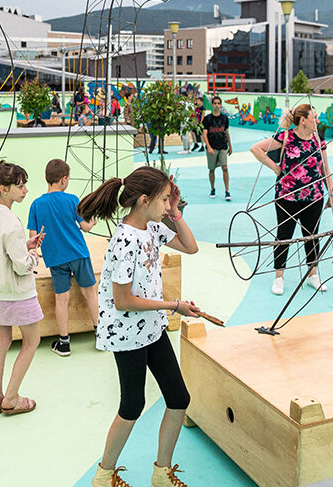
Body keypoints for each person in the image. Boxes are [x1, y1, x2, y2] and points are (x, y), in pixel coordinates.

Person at [77, 166, 201, 487]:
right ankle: (104, 475)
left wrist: (174, 212)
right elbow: (123, 301)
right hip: (127, 334)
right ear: (144, 200)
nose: (166, 205)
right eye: (163, 200)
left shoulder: (153, 228)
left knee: (178, 398)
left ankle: (161, 473)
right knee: (132, 406)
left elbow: (191, 247)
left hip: (152, 328)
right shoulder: (125, 241)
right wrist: (175, 306)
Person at [0, 160, 44, 416]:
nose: (25, 190)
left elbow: (0, 252)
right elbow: (21, 267)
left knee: (1, 343)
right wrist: (34, 255)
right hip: (17, 294)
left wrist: (24, 245)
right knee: (32, 341)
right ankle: (12, 397)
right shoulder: (12, 222)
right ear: (4, 189)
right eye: (20, 185)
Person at [250, 104, 333, 295]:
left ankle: (313, 274)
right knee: (284, 235)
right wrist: (276, 168)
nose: (318, 121)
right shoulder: (286, 136)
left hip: (314, 196)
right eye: (314, 117)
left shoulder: (319, 140)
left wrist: (331, 192)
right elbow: (256, 149)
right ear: (303, 120)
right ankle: (279, 277)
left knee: (312, 235)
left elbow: (325, 168)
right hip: (286, 196)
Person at [27, 159, 99, 357]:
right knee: (90, 293)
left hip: (55, 258)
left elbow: (33, 237)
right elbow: (85, 226)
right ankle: (101, 335)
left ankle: (64, 342)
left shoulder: (36, 204)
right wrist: (92, 220)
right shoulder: (72, 199)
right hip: (79, 253)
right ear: (64, 179)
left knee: (61, 298)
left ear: (46, 179)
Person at [202, 96, 232, 201]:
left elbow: (226, 132)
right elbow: (204, 134)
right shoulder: (207, 119)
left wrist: (230, 146)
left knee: (225, 168)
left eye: (218, 103)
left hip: (223, 146)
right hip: (212, 147)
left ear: (221, 105)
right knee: (212, 169)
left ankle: (227, 191)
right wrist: (209, 147)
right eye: (215, 103)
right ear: (212, 105)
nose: (217, 105)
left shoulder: (224, 118)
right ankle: (212, 188)